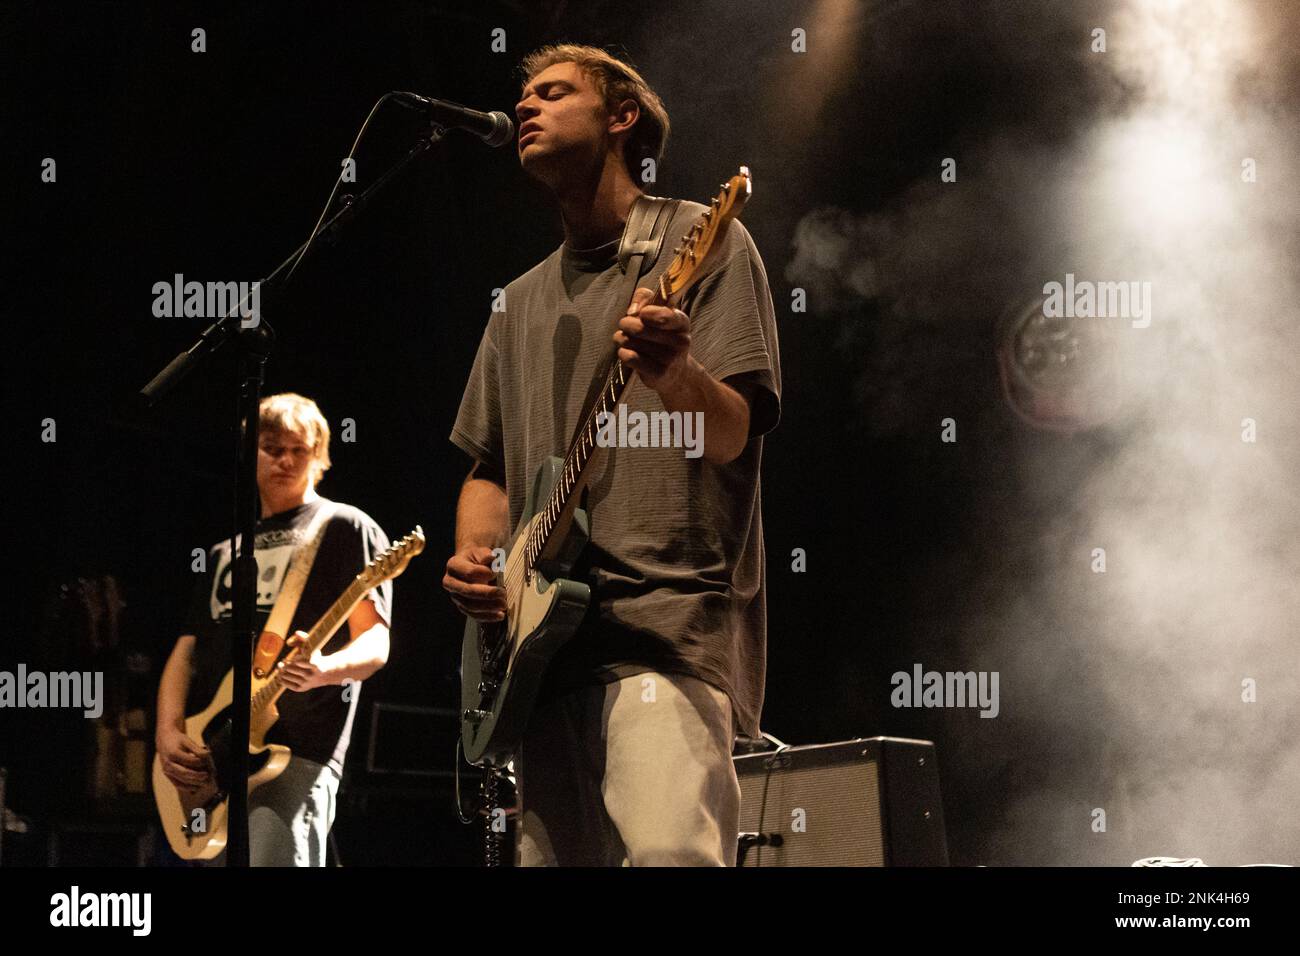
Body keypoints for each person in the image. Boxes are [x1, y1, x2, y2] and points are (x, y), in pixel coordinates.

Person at [443, 44, 781, 866]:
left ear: (622, 118)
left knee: (672, 854)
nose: (526, 107)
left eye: (554, 94)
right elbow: (486, 466)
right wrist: (477, 555)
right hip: (537, 658)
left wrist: (677, 374)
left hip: (661, 625)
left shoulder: (706, 243)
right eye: (522, 97)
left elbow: (733, 432)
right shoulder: (517, 302)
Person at [155, 392, 392, 866]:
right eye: (271, 447)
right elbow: (186, 651)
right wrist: (167, 731)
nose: (285, 459)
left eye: (298, 449)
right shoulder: (226, 552)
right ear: (250, 454)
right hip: (212, 759)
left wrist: (324, 668)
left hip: (297, 752)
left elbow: (376, 640)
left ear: (319, 455)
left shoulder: (344, 526)